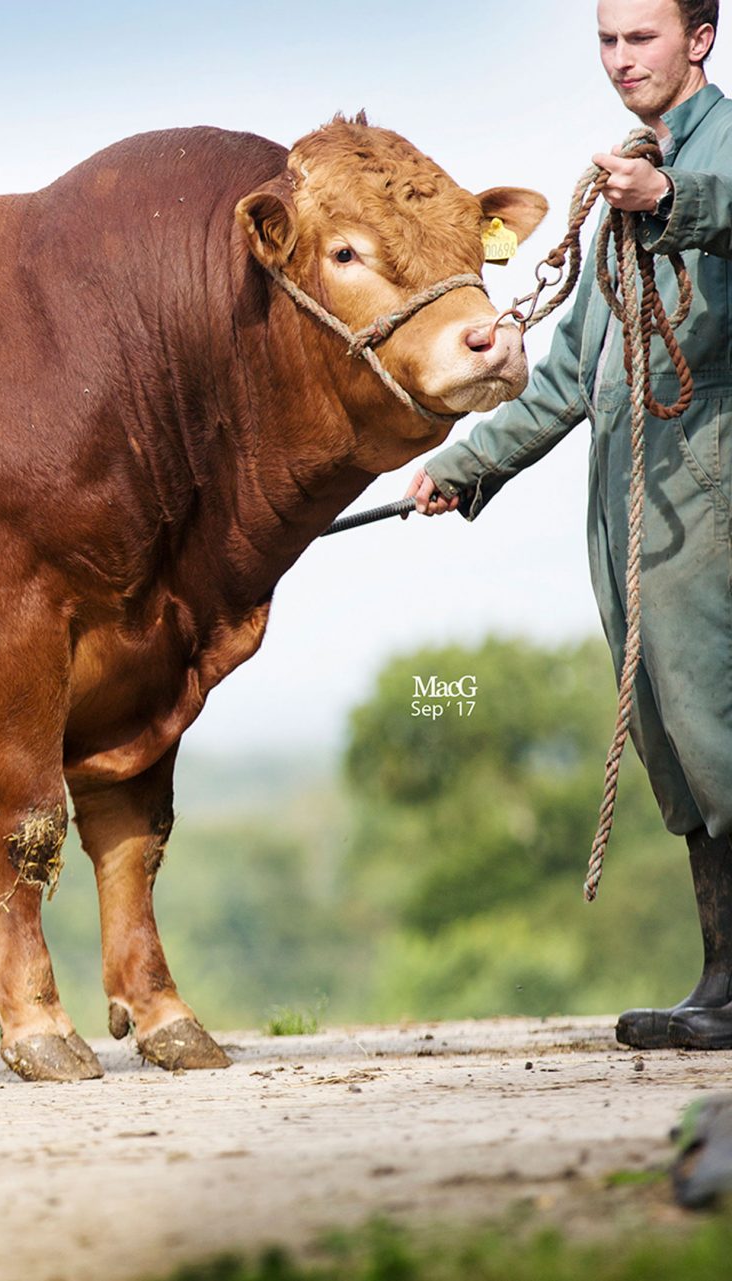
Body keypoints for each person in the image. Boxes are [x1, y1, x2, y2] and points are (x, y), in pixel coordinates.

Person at [407, 0, 732, 1051]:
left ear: (701, 39)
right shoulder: (617, 184)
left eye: (643, 36)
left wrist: (674, 196)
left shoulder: (703, 161)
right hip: (636, 519)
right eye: (607, 39)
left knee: (722, 731)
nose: (622, 58)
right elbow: (570, 380)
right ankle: (724, 981)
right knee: (678, 747)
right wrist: (466, 463)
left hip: (714, 506)